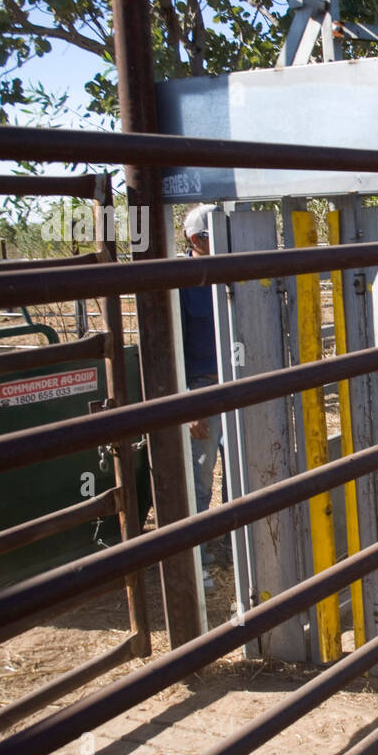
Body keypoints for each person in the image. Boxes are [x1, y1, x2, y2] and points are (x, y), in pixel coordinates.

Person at [178, 203, 223, 590]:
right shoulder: (178, 281)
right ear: (194, 239)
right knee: (200, 478)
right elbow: (170, 348)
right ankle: (199, 561)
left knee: (249, 470)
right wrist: (188, 402)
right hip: (203, 389)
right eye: (212, 236)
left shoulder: (233, 272)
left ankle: (240, 548)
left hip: (241, 383)